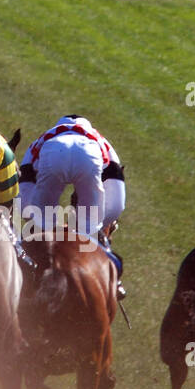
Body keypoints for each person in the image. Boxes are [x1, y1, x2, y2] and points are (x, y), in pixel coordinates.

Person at [19, 113, 126, 293]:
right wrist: (99, 225)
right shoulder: (102, 141)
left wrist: (35, 219)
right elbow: (117, 203)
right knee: (90, 228)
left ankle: (28, 266)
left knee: (42, 224)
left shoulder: (44, 138)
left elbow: (25, 186)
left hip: (53, 151)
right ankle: (113, 280)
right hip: (89, 152)